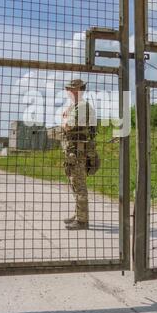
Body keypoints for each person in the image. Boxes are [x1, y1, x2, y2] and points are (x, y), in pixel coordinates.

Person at [62, 79, 97, 230]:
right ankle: (78, 214)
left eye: (70, 88)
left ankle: (82, 221)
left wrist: (64, 119)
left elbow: (68, 125)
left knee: (79, 185)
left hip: (78, 151)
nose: (68, 91)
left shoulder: (82, 106)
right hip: (75, 150)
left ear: (78, 90)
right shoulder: (77, 106)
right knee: (74, 184)